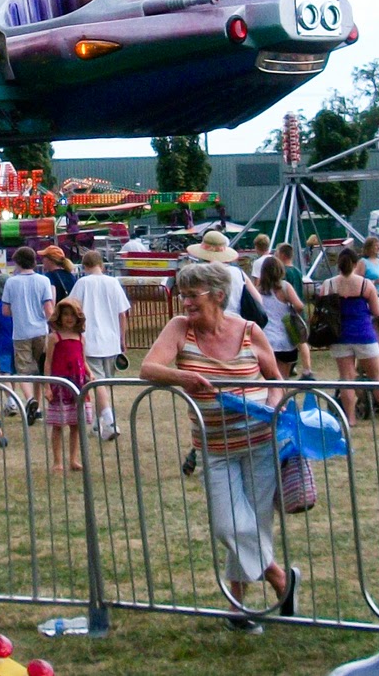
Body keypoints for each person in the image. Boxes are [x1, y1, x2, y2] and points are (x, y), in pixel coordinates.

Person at [140, 262, 297, 632]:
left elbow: (277, 380)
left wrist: (274, 405)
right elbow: (148, 368)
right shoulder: (180, 328)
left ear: (218, 296)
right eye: (183, 294)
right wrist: (185, 376)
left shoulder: (249, 330)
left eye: (193, 295)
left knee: (253, 526)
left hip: (260, 442)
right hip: (215, 448)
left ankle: (239, 611)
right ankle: (280, 579)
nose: (186, 302)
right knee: (231, 526)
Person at [324, 247, 379, 426]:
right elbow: (376, 311)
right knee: (377, 376)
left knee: (346, 378)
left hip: (339, 336)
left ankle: (351, 419)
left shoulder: (329, 284)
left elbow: (323, 308)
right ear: (355, 264)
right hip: (363, 333)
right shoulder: (365, 284)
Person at [73, 249, 130, 439]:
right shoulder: (113, 283)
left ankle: (109, 421)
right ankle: (99, 425)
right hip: (111, 340)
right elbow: (122, 314)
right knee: (104, 383)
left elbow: (72, 308)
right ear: (102, 265)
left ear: (85, 266)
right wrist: (122, 338)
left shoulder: (82, 283)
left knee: (97, 384)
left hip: (89, 340)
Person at [2, 246, 56, 423]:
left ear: (17, 262)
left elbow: (6, 311)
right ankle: (38, 406)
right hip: (40, 330)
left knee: (24, 370)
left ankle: (30, 399)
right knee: (39, 369)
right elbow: (48, 308)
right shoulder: (43, 281)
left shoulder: (11, 282)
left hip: (21, 332)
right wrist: (54, 327)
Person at [44, 299, 91, 471]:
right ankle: (57, 461)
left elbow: (83, 360)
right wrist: (47, 386)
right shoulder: (54, 338)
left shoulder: (80, 338)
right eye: (65, 314)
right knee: (58, 425)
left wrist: (89, 373)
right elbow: (48, 362)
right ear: (59, 316)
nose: (69, 318)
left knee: (75, 425)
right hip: (60, 384)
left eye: (72, 315)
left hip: (78, 383)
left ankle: (73, 459)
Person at [255, 256, 312, 378]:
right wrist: (290, 311)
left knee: (269, 380)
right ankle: (283, 396)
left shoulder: (258, 290)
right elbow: (299, 306)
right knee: (283, 379)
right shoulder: (285, 287)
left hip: (266, 339)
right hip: (285, 339)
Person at [355, 235, 379, 301]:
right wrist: (374, 282)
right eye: (375, 246)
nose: (378, 247)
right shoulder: (363, 262)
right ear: (369, 248)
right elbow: (359, 281)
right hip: (370, 297)